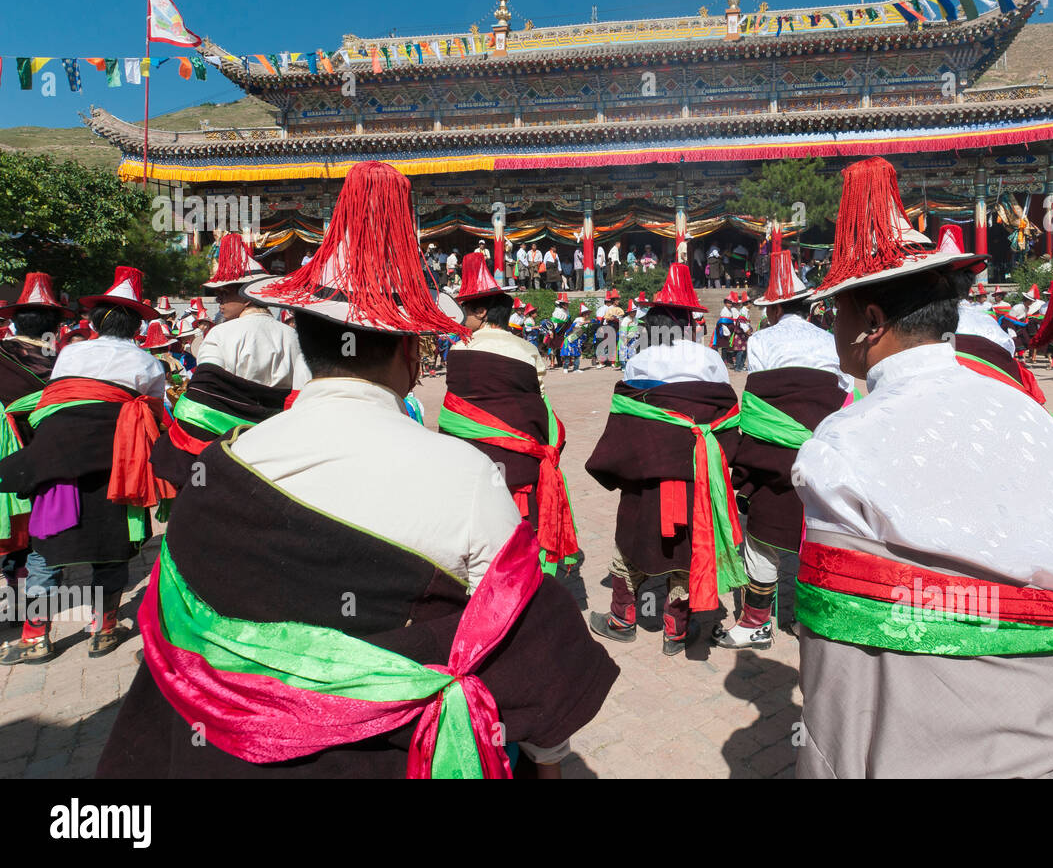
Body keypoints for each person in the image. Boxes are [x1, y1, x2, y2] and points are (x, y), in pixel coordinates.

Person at [98, 160, 617, 779]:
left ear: (302, 338)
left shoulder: (222, 465)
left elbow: (176, 629)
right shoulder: (465, 475)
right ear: (409, 349)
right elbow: (517, 639)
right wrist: (550, 760)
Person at [789, 157, 1053, 779]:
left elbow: (841, 653)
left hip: (942, 732)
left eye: (836, 314)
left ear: (871, 323)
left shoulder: (842, 443)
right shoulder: (1027, 410)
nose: (832, 328)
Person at [0, 266, 173, 663]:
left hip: (57, 460)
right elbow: (155, 412)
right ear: (136, 327)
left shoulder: (71, 352)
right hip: (119, 465)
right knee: (112, 548)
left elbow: (59, 401)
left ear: (94, 321)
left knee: (46, 550)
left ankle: (34, 639)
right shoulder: (148, 363)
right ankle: (104, 630)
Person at [586, 263, 742, 656]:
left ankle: (623, 619)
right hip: (697, 474)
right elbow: (726, 413)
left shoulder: (640, 363)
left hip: (648, 473)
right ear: (690, 322)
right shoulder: (709, 360)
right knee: (687, 548)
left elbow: (625, 421)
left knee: (632, 540)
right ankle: (675, 630)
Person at [713, 239, 851, 650]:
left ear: (772, 310)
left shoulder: (760, 341)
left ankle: (756, 621)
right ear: (809, 309)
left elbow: (757, 399)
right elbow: (843, 394)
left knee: (761, 534)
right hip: (826, 446)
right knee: (827, 530)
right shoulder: (830, 340)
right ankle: (820, 619)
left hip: (773, 452)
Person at [440, 252, 578, 576]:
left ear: (481, 311)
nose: (462, 318)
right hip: (521, 477)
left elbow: (454, 414)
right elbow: (541, 409)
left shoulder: (458, 352)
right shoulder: (526, 351)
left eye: (465, 311)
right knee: (520, 557)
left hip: (469, 472)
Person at [151, 234, 308, 489]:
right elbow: (301, 395)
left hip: (224, 443)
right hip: (276, 441)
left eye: (225, 292)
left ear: (248, 294)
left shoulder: (220, 334)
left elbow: (206, 395)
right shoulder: (293, 337)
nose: (219, 299)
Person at [0, 273, 65, 594]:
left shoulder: (2, 356)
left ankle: (15, 593)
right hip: (53, 458)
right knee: (45, 539)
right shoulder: (65, 361)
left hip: (8, 458)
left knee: (15, 531)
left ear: (15, 321)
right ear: (53, 323)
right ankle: (35, 621)